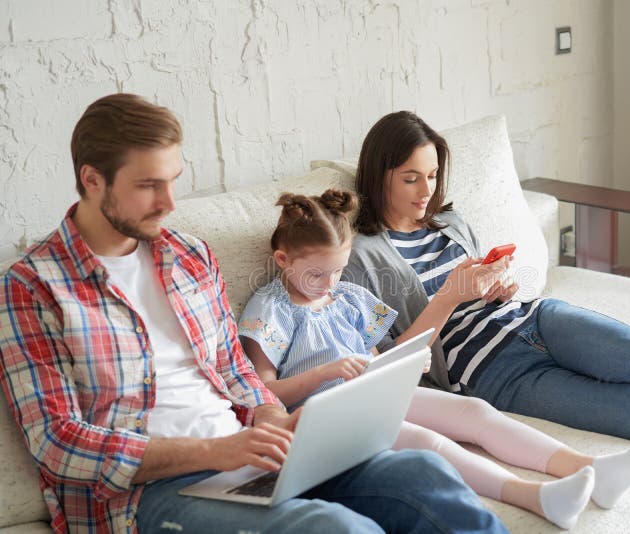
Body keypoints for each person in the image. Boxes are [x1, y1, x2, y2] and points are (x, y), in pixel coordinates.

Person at [0, 94, 508, 534]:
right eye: (149, 186)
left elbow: (235, 371)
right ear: (92, 180)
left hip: (251, 456)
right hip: (148, 496)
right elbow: (58, 443)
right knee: (336, 529)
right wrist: (216, 453)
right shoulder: (33, 288)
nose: (170, 203)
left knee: (424, 475)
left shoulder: (188, 256)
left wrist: (272, 420)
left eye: (174, 181)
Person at [341, 110, 630, 451]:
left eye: (433, 175)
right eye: (411, 179)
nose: (426, 191)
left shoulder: (450, 221)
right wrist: (449, 296)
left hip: (535, 321)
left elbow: (489, 283)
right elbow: (392, 366)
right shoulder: (361, 258)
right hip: (494, 376)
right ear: (378, 177)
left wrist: (503, 286)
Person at [239, 188, 630, 530]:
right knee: (425, 442)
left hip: (370, 395)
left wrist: (399, 362)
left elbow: (374, 352)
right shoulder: (271, 308)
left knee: (474, 411)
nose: (329, 283)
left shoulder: (345, 297)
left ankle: (592, 470)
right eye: (317, 274)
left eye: (338, 271)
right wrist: (324, 373)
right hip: (327, 419)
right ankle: (535, 497)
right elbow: (263, 391)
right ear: (283, 261)